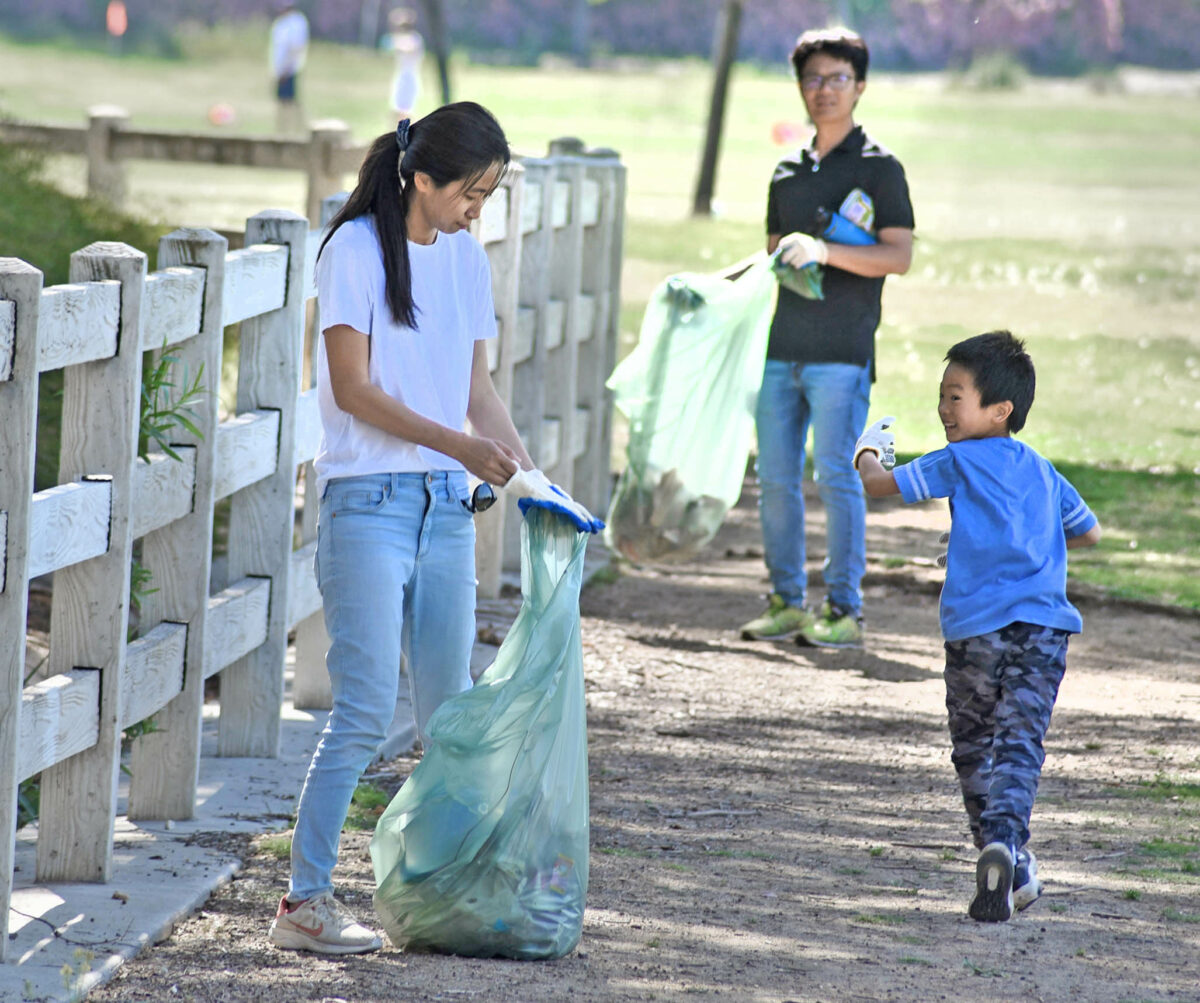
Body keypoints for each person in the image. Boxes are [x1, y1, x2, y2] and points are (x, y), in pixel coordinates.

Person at [267, 102, 597, 955]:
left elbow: (477, 391)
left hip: (448, 510)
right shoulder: (351, 251)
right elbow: (354, 391)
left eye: (487, 195)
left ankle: (443, 893)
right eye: (470, 193)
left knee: (449, 711)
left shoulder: (465, 260)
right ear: (422, 177)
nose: (475, 210)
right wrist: (457, 444)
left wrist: (533, 482)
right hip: (368, 503)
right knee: (367, 707)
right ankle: (303, 903)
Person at [853, 330, 1102, 922]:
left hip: (973, 633)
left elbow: (877, 486)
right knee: (1020, 742)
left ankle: (1002, 856)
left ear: (999, 410)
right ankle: (1009, 852)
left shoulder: (957, 460)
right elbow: (1088, 530)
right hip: (1043, 628)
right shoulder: (1042, 471)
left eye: (956, 396)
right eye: (943, 396)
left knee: (974, 747)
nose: (944, 409)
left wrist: (869, 450)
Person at [739, 28, 914, 648]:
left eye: (837, 78)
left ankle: (844, 611)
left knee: (840, 477)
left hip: (842, 352)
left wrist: (827, 250)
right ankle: (787, 600)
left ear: (859, 86)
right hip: (778, 350)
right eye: (812, 79)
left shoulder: (879, 167)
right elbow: (770, 258)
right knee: (776, 481)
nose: (823, 90)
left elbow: (898, 256)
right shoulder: (786, 171)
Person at [269, 0, 309, 134]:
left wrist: (286, 69)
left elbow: (294, 48)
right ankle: (283, 129)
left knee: (290, 102)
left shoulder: (296, 23)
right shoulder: (281, 23)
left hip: (289, 69)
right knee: (282, 101)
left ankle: (296, 129)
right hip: (281, 69)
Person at [384, 6, 425, 125]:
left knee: (405, 112)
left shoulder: (414, 39)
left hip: (409, 79)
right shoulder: (399, 39)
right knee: (395, 111)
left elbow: (406, 48)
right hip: (401, 77)